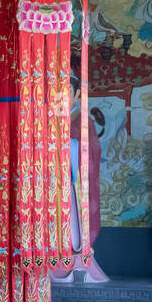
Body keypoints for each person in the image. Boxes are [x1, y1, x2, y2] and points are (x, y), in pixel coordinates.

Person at [53, 73, 109, 283]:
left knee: (73, 229)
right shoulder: (43, 121)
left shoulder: (84, 122)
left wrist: (69, 147)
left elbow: (93, 150)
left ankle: (75, 259)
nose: (59, 97)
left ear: (76, 94)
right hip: (50, 187)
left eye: (65, 91)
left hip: (72, 187)